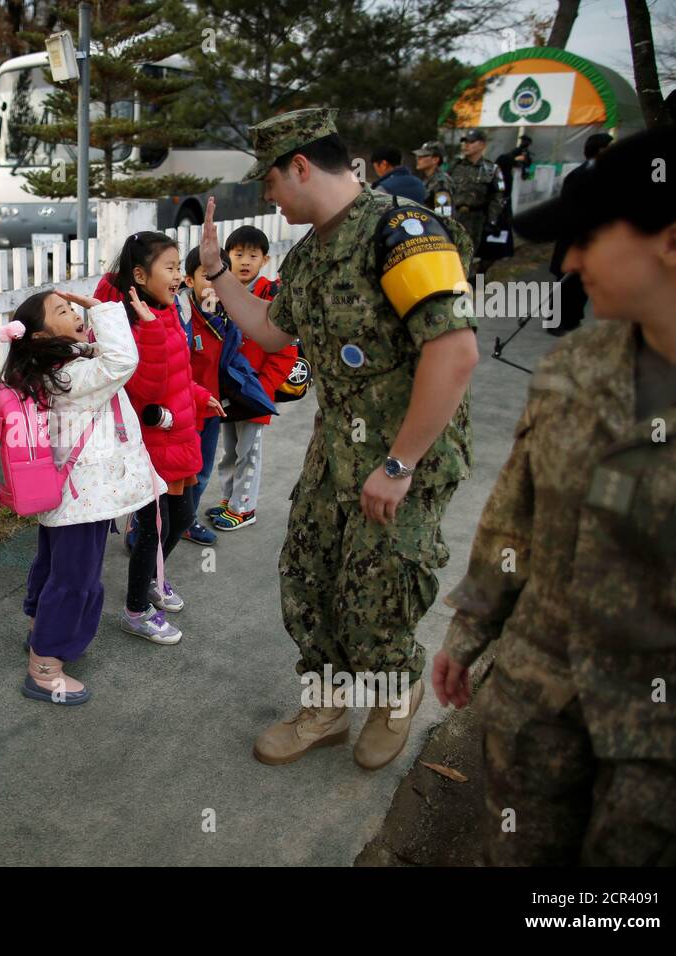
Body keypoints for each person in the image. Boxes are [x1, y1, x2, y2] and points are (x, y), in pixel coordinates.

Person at [433, 123, 676, 865]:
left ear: (675, 243)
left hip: (675, 749)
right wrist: (471, 631)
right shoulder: (575, 365)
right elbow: (513, 516)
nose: (573, 259)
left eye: (589, 237)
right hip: (539, 704)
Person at [199, 107, 478, 770]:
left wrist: (400, 461)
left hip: (404, 456)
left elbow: (454, 351)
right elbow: (271, 331)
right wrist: (213, 274)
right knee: (307, 577)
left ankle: (393, 695)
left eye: (269, 181)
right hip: (336, 452)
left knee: (377, 589)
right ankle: (324, 708)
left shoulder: (402, 232)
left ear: (300, 165)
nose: (266, 197)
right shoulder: (313, 250)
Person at [0, 289, 161, 703]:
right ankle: (45, 668)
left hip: (70, 495)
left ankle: (41, 632)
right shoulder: (67, 376)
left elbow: (107, 355)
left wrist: (91, 325)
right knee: (76, 581)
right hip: (82, 499)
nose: (74, 312)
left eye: (72, 308)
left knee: (56, 568)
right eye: (62, 311)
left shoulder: (58, 368)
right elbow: (122, 360)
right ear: (38, 337)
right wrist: (102, 309)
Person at [95, 232, 223, 646]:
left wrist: (202, 397)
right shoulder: (129, 320)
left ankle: (153, 577)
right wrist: (149, 330)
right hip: (152, 441)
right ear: (139, 274)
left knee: (183, 517)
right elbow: (145, 389)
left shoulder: (167, 309)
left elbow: (179, 373)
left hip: (180, 432)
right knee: (152, 526)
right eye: (169, 269)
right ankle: (135, 609)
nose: (178, 278)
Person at [188, 235, 297, 535]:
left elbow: (285, 352)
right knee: (230, 450)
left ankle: (244, 507)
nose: (245, 261)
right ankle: (229, 500)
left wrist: (263, 386)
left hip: (254, 392)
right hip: (230, 393)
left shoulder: (271, 298)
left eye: (253, 255)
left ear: (265, 260)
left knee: (249, 451)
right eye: (239, 254)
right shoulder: (223, 295)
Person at [547, 132, 612, 337]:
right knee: (565, 283)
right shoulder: (578, 175)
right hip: (573, 239)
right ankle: (555, 321)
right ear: (599, 150)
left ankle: (573, 318)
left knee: (583, 283)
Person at [450, 129, 506, 277]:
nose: (466, 145)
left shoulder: (491, 169)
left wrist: (492, 220)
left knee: (467, 255)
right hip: (454, 215)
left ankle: (461, 286)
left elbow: (498, 195)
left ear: (481, 145)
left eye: (471, 142)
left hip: (475, 218)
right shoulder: (455, 166)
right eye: (465, 142)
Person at [412, 140, 456, 217]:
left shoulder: (441, 182)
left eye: (423, 156)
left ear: (435, 159)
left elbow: (444, 215)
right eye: (418, 156)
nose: (418, 158)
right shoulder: (427, 179)